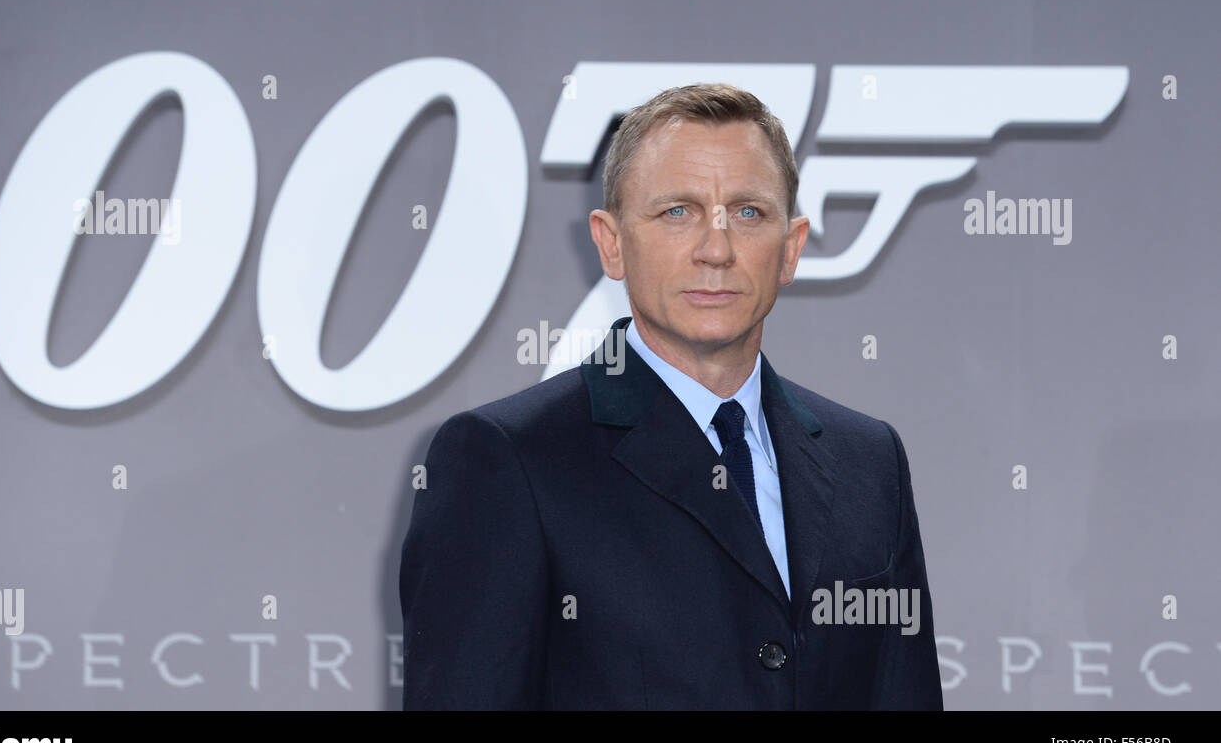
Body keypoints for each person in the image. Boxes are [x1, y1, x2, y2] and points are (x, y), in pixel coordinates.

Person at [399, 82, 942, 710]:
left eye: (748, 212)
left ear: (791, 250)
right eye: (676, 212)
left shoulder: (870, 462)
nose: (716, 250)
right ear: (611, 243)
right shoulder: (507, 460)